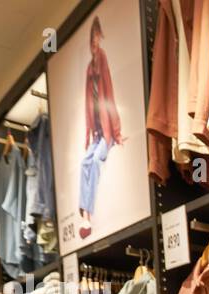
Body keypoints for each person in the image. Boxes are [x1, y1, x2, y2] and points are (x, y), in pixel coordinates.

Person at [78, 16, 123, 240]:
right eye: (92, 39)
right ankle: (84, 213)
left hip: (106, 131)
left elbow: (109, 93)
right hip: (96, 131)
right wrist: (87, 134)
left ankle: (89, 214)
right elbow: (88, 104)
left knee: (95, 161)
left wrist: (116, 132)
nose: (94, 43)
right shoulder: (88, 69)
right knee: (84, 161)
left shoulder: (102, 59)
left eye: (97, 38)